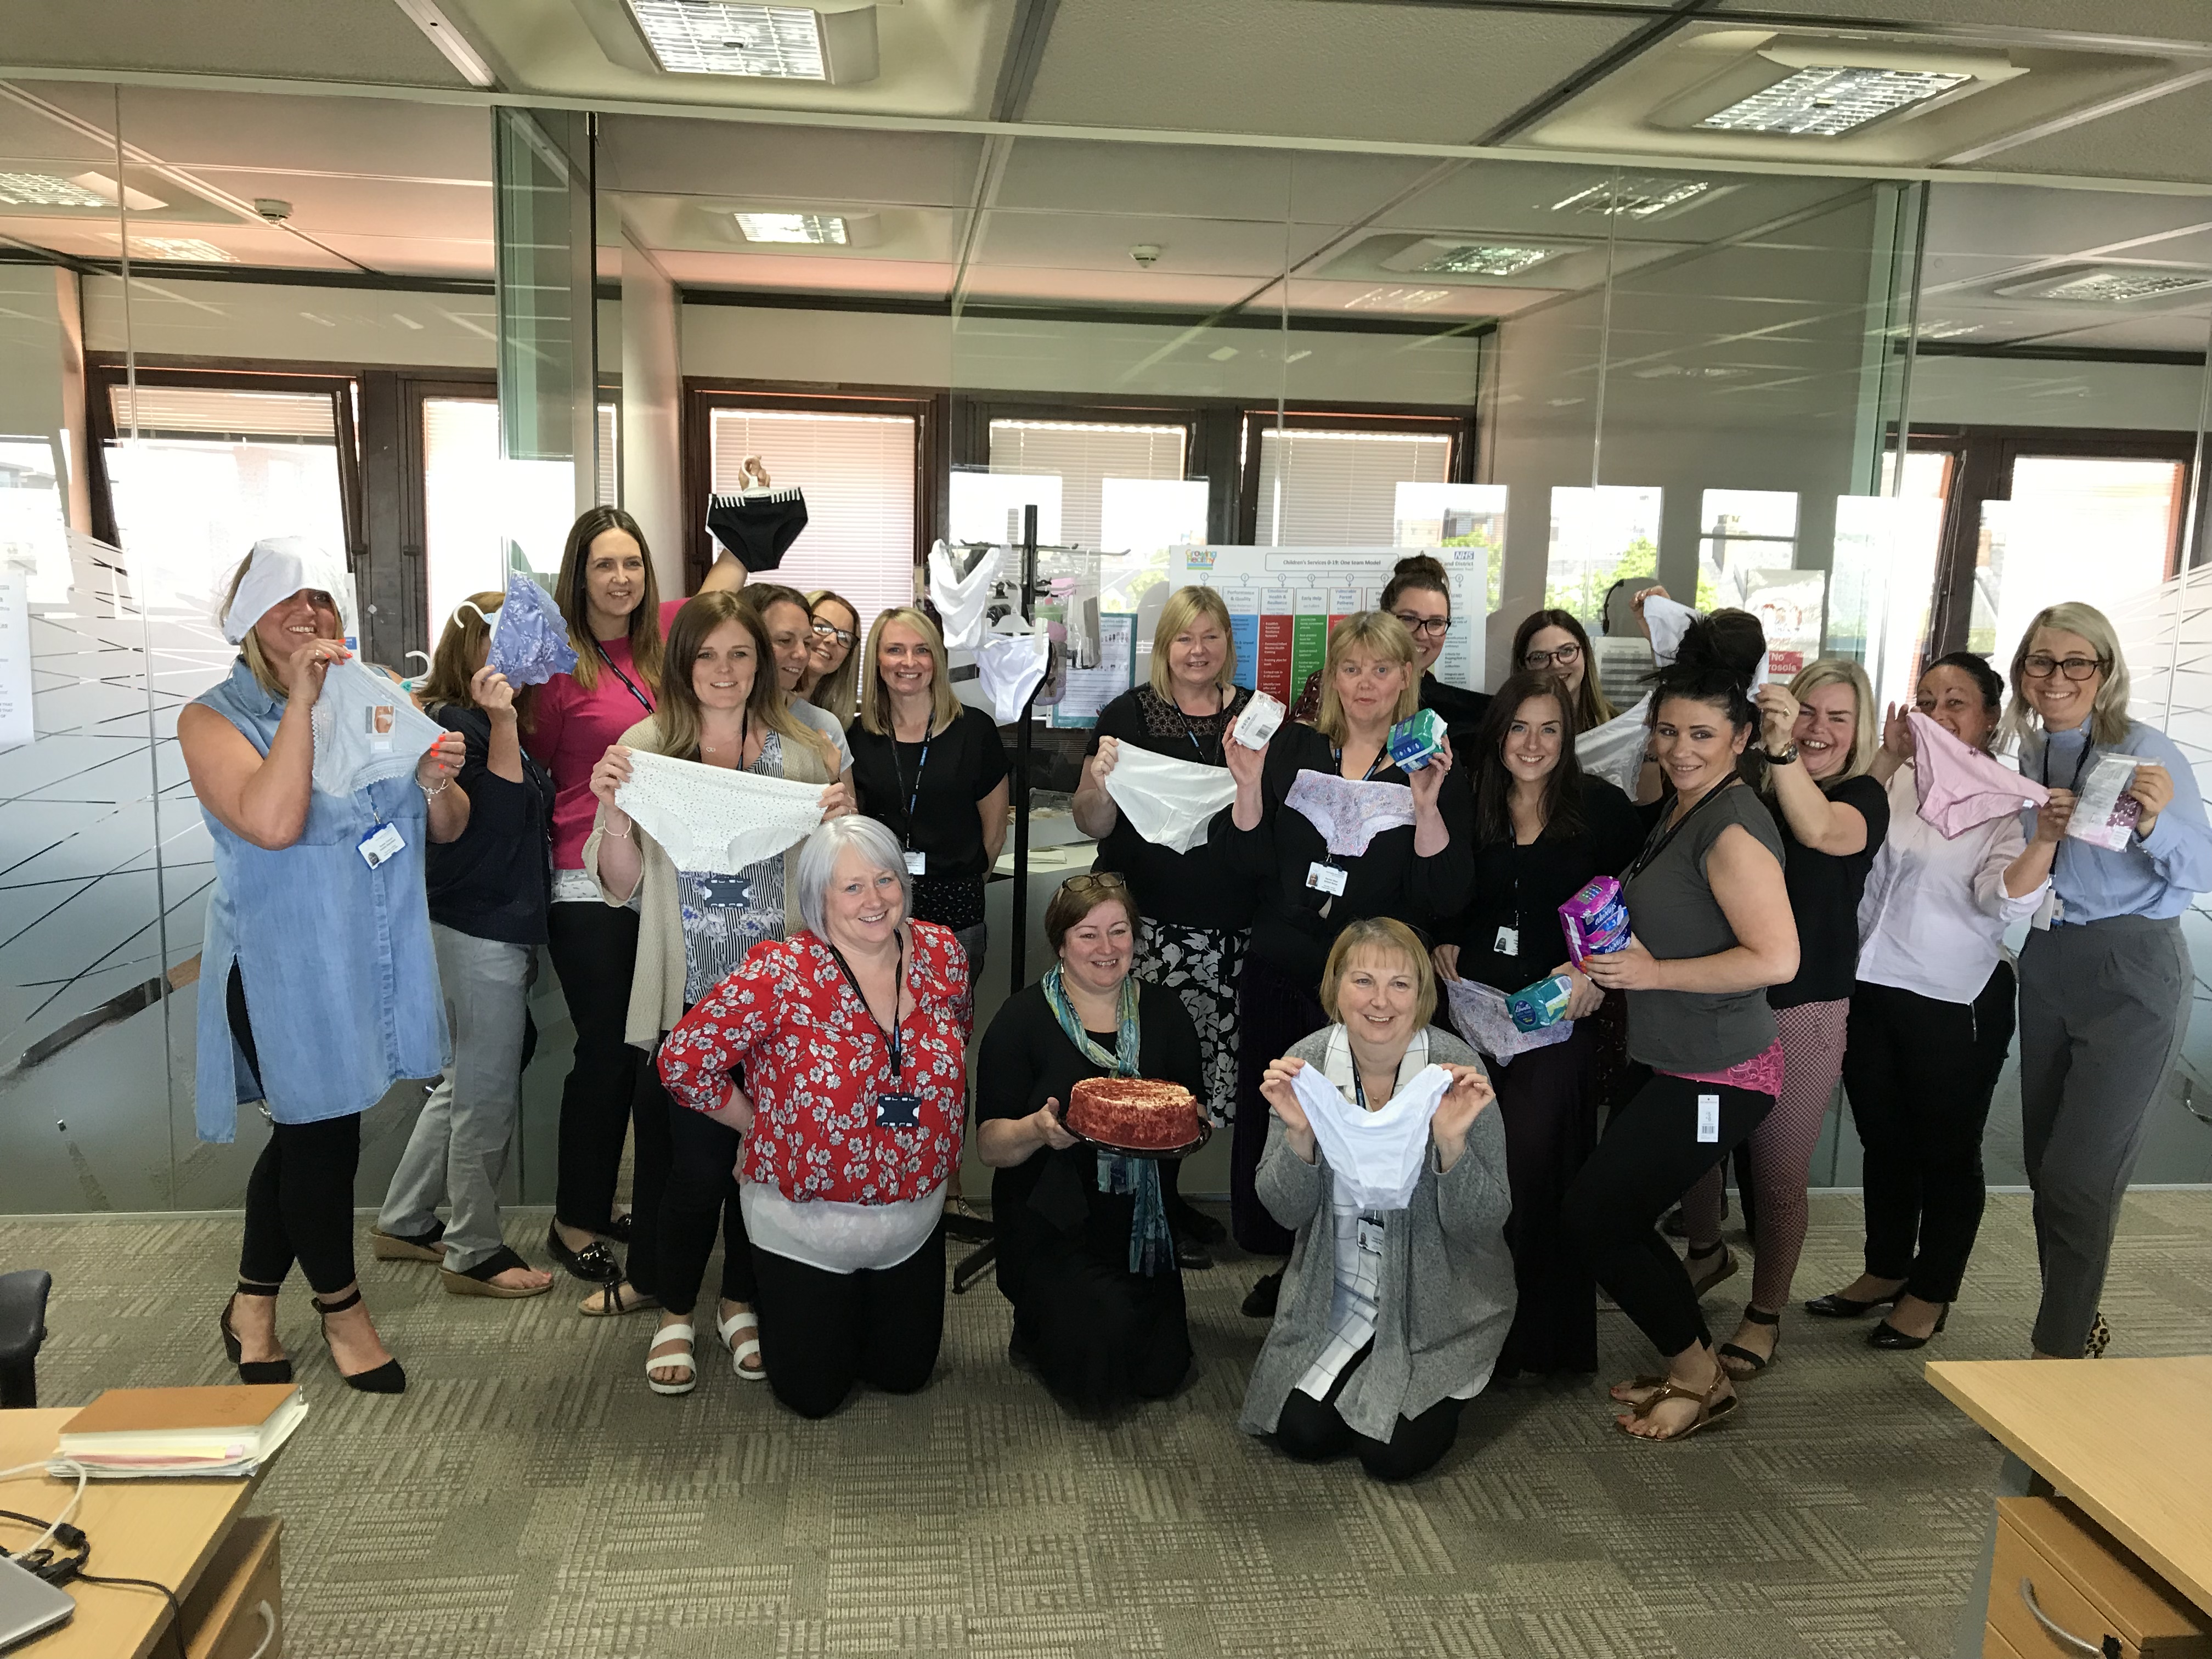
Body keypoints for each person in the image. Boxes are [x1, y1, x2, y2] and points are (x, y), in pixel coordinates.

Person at [183, 539, 465, 1395]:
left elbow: (446, 826)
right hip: (279, 968)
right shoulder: (214, 718)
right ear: (244, 625)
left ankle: (252, 1303)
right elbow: (270, 822)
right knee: (321, 1138)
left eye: (321, 602)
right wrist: (303, 705)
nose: (310, 617)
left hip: (365, 959)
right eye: (284, 604)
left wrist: (436, 775)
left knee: (313, 1131)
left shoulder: (375, 696)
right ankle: (342, 1311)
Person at [584, 592, 848, 1393]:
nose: (725, 671)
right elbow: (620, 888)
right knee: (694, 1170)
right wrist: (616, 811)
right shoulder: (648, 748)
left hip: (778, 1001)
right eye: (707, 656)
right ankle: (675, 1311)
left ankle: (740, 1300)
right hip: (690, 994)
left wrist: (845, 818)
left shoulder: (804, 755)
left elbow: (832, 881)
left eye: (741, 655)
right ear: (683, 665)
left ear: (761, 664)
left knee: (761, 1162)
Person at [1566, 611, 1799, 1441]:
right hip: (1670, 1059)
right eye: (1668, 730)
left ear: (1741, 738)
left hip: (1720, 1073)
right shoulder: (1682, 809)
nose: (1680, 748)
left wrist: (1655, 975)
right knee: (1608, 1214)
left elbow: (1777, 959)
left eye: (1702, 733)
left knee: (1598, 1217)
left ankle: (1702, 1378)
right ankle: (1688, 1359)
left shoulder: (1733, 828)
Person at [656, 816, 973, 1420]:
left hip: (913, 1218)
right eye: (851, 887)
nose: (875, 899)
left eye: (886, 879)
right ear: (817, 895)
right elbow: (683, 1062)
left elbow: (957, 1033)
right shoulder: (778, 973)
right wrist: (758, 1124)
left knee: (906, 1377)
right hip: (806, 1224)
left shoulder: (942, 953)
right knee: (813, 1396)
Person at [1220, 610, 1475, 1316]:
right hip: (1282, 968)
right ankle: (1288, 1264)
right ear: (1332, 678)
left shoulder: (1430, 764)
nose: (1367, 683)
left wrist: (1426, 808)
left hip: (1371, 995)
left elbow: (1445, 895)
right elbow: (1247, 864)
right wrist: (1246, 785)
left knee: (1364, 1130)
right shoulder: (1294, 748)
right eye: (1353, 668)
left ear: (1407, 678)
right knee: (1284, 1119)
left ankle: (1363, 1269)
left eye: (1383, 669)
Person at [1807, 652, 2049, 1350]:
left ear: (1989, 720)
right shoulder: (1896, 781)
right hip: (1871, 984)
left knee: (1945, 1150)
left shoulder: (2011, 800)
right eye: (1928, 699)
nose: (1938, 716)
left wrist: (2047, 841)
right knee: (1883, 1139)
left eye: (1957, 704)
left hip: (1953, 996)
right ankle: (1884, 1269)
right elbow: (1836, 850)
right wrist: (1884, 759)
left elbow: (1999, 897)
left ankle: (1931, 1289)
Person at [2000, 602, 2212, 1359]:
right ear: (2023, 673)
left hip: (2133, 967)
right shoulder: (2028, 755)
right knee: (2047, 1166)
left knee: (2081, 1174)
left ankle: (2056, 1352)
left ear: (2106, 671)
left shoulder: (2147, 751)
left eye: (2076, 663)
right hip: (2051, 959)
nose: (2057, 678)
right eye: (2040, 662)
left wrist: (2156, 825)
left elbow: (2207, 867)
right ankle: (2076, 1313)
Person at [1675, 659, 1888, 1374]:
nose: (1817, 729)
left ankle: (1765, 1315)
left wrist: (1784, 750)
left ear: (1860, 732)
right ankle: (1706, 1255)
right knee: (1697, 1149)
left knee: (1776, 1173)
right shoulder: (1757, 780)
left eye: (1837, 717)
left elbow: (1821, 831)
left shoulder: (1862, 796)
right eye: (1806, 712)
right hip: (1722, 999)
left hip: (1804, 1011)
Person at [1240, 919, 1510, 1481]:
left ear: (1422, 995)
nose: (1380, 1002)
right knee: (1303, 1436)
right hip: (1341, 1294)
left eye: (1400, 985)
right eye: (1363, 981)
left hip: (1438, 1307)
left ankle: (1435, 1371)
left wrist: (1453, 1145)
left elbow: (1483, 1225)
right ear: (1336, 988)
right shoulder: (1307, 1064)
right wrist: (1298, 1136)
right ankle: (1362, 1362)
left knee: (1391, 1456)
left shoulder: (1456, 1072)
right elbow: (1284, 1211)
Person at [1431, 669, 1641, 1378]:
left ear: (1569, 736)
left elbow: (1628, 908)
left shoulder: (1602, 810)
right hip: (1474, 1009)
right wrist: (1444, 934)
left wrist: (1595, 975)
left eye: (1550, 729)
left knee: (1534, 1163)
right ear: (1498, 734)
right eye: (1519, 727)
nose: (1533, 743)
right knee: (1470, 1159)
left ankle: (1537, 1343)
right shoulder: (1469, 798)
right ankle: (1467, 1330)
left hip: (1558, 1020)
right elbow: (1444, 886)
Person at [372, 592, 556, 1299]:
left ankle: (405, 1218)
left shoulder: (478, 723)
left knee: (465, 1083)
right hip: (475, 931)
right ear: (469, 650)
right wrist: (506, 720)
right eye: (500, 644)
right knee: (484, 1095)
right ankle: (472, 1249)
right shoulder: (456, 724)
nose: (514, 659)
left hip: (482, 926)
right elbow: (502, 820)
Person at [1071, 585, 1255, 1266]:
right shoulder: (1127, 718)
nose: (1197, 651)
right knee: (1152, 1074)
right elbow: (1094, 821)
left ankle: (1173, 1201)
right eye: (1184, 638)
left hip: (1228, 931)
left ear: (1227, 645)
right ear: (1164, 646)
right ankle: (1154, 1209)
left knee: (1206, 1079)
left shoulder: (1252, 720)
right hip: (1147, 932)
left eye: (1210, 637)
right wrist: (1098, 777)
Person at [976, 874, 1202, 1412]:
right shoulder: (1022, 1020)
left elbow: (1194, 1116)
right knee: (1098, 1377)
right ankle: (1034, 1323)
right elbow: (989, 1146)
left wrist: (1186, 1134)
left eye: (1118, 932)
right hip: (1052, 1223)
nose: (1107, 949)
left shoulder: (1166, 1015)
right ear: (1060, 943)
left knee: (1161, 1375)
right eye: (1088, 935)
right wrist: (1037, 1130)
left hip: (1143, 1225)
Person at [524, 505, 668, 1307]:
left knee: (652, 1058)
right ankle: (574, 1220)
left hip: (665, 880)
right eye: (605, 565)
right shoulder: (555, 671)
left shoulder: (663, 651)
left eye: (633, 564)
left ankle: (620, 1206)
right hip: (585, 879)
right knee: (607, 1053)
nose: (621, 579)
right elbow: (531, 773)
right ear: (578, 576)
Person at [847, 607, 1011, 984]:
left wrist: (961, 883)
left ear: (937, 659)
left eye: (922, 650)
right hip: (875, 912)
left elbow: (995, 831)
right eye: (895, 650)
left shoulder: (975, 731)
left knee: (948, 1035)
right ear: (877, 660)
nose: (909, 662)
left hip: (956, 910)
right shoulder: (855, 737)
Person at [1288, 555, 1488, 735]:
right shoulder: (1334, 685)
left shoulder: (1437, 697)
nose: (1422, 634)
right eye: (1409, 619)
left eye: (1436, 623)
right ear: (1385, 618)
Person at [1511, 608, 1616, 733]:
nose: (1556, 665)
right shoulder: (1507, 730)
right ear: (1523, 666)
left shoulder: (1618, 727)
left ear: (1586, 653)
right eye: (1540, 657)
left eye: (1567, 651)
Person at [800, 589, 862, 721]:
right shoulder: (757, 703)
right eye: (821, 627)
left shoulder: (829, 721)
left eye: (844, 637)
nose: (833, 640)